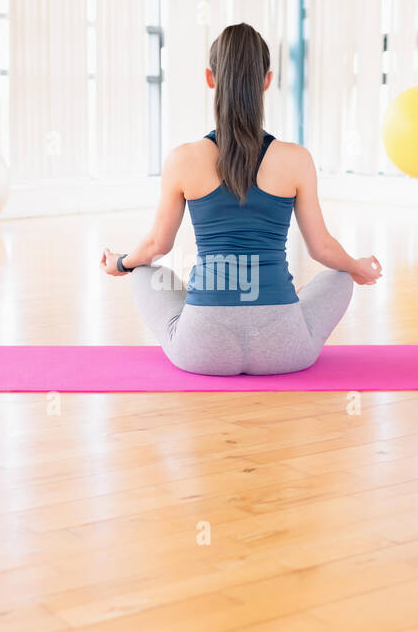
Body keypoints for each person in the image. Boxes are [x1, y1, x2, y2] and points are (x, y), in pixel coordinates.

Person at [101, 23, 382, 375]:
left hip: (202, 352)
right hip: (285, 351)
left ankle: (198, 304)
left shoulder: (182, 159)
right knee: (340, 275)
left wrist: (121, 262)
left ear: (210, 78)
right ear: (267, 80)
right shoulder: (295, 159)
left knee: (143, 271)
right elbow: (322, 248)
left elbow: (157, 245)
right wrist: (356, 267)